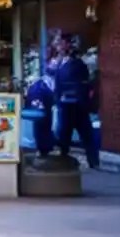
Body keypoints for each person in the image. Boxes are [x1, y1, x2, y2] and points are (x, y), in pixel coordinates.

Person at [50, 33, 99, 169]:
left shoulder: (76, 63)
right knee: (68, 135)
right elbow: (53, 75)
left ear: (67, 45)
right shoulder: (62, 62)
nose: (58, 46)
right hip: (68, 105)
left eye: (60, 43)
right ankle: (70, 160)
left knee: (79, 134)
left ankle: (91, 161)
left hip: (73, 105)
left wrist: (62, 99)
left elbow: (81, 83)